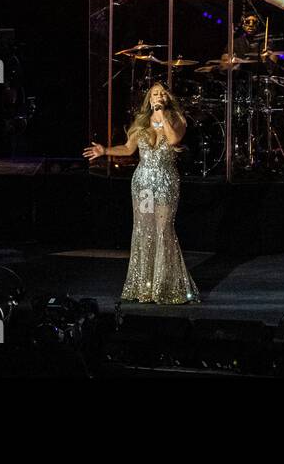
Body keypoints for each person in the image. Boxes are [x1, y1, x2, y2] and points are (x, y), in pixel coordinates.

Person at [84, 83, 200, 304]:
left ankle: (165, 285)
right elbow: (128, 149)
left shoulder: (177, 119)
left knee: (163, 230)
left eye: (162, 93)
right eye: (154, 94)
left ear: (167, 98)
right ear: (148, 99)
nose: (158, 96)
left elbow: (174, 139)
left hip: (166, 181)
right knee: (144, 230)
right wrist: (105, 150)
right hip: (143, 183)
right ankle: (144, 286)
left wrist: (162, 114)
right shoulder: (141, 124)